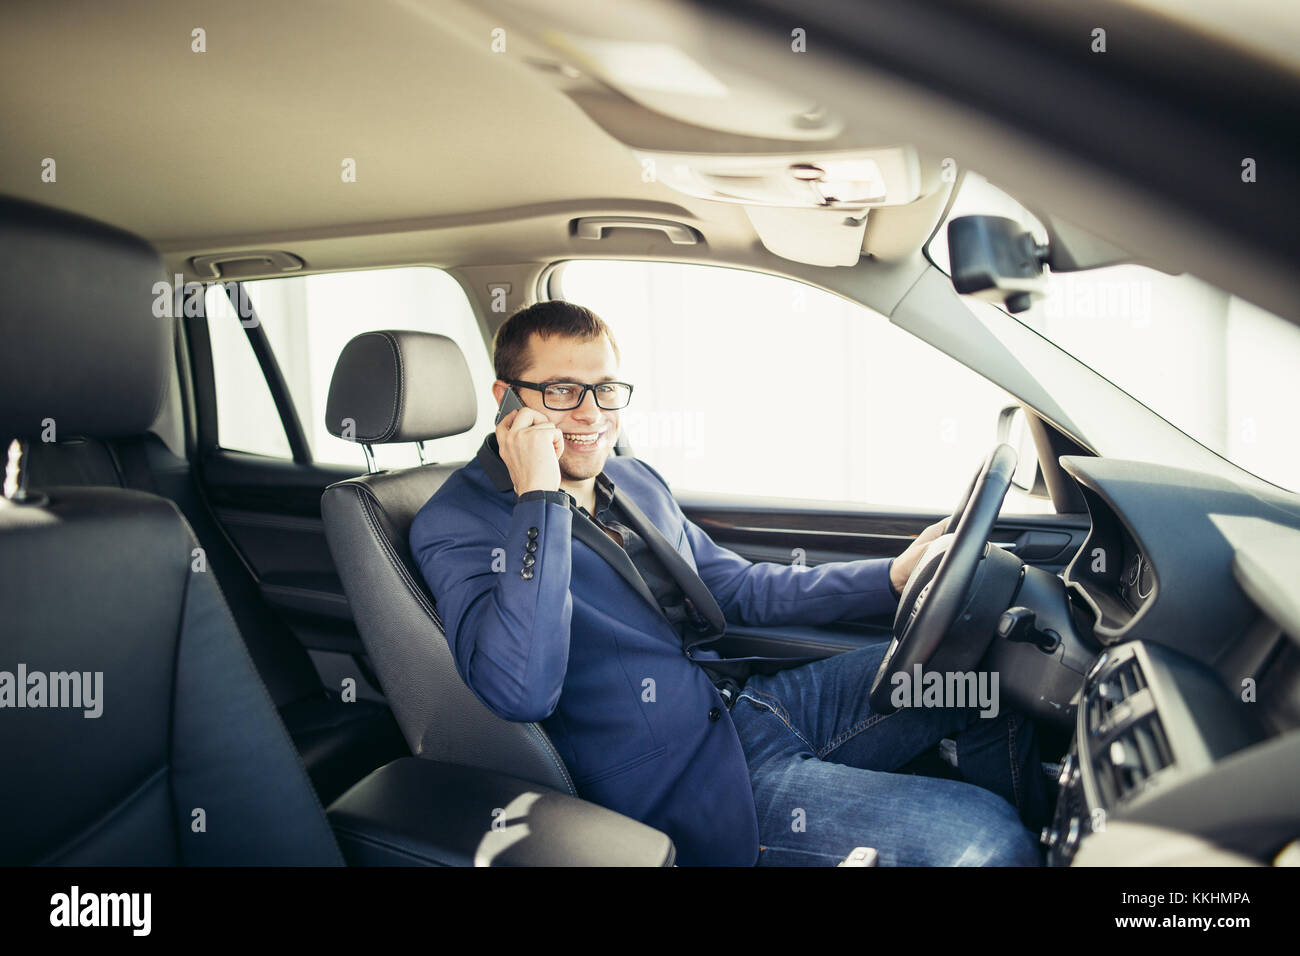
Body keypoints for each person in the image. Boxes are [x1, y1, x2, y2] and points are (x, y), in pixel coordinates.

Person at [410, 300, 1049, 866]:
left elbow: (737, 588)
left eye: (606, 389)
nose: (593, 414)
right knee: (986, 842)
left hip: (757, 708)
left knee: (989, 676)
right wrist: (540, 499)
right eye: (562, 392)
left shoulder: (633, 481)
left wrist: (889, 577)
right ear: (508, 397)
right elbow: (520, 688)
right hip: (686, 780)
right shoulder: (454, 522)